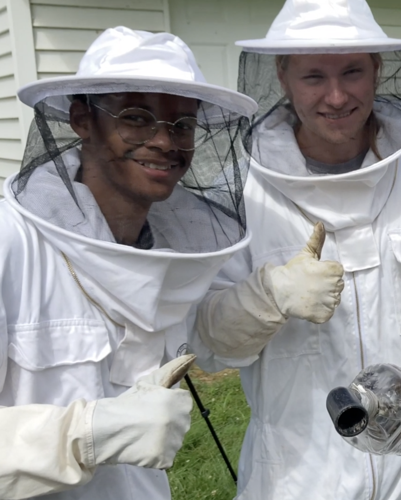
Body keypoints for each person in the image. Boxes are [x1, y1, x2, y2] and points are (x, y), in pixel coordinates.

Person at [189, 0, 401, 498]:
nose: (337, 95)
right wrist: (268, 296)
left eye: (352, 72)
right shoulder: (240, 193)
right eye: (313, 76)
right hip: (294, 477)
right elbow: (211, 349)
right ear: (282, 75)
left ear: (378, 70)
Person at [0, 27, 257, 500]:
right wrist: (81, 435)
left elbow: (216, 347)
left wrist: (266, 301)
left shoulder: (166, 248)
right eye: (136, 117)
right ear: (82, 119)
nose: (165, 141)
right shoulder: (11, 243)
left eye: (183, 124)